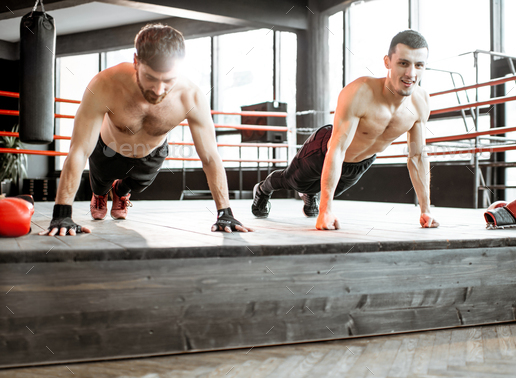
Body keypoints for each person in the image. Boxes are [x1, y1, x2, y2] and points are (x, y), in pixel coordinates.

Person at [41, 24, 252, 236]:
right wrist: (62, 214)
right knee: (100, 183)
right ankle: (100, 193)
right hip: (106, 149)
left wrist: (225, 212)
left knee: (137, 185)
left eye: (168, 80)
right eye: (150, 78)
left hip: (151, 154)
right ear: (136, 61)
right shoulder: (105, 84)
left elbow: (210, 157)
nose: (158, 90)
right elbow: (78, 150)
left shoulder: (191, 96)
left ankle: (120, 192)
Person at [252, 30, 439, 230]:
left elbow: (417, 156)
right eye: (403, 63)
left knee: (326, 189)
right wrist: (326, 210)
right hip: (324, 149)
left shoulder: (420, 102)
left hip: (360, 163)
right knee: (294, 182)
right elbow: (337, 148)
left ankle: (311, 195)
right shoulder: (360, 92)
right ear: (387, 62)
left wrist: (425, 210)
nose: (411, 74)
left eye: (419, 65)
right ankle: (263, 189)